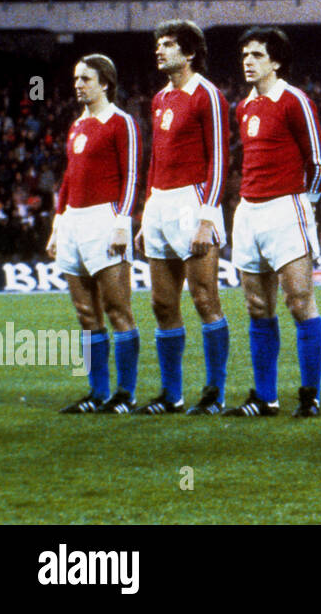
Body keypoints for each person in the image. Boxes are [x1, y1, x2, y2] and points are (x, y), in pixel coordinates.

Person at [223, 27, 321, 418]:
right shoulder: (244, 107)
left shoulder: (294, 100)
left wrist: (306, 203)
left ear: (276, 61)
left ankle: (310, 395)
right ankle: (265, 397)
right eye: (245, 55)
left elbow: (317, 160)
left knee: (299, 301)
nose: (248, 62)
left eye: (257, 55)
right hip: (249, 210)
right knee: (256, 304)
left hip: (287, 208)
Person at [133, 21, 231, 415]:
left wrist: (208, 217)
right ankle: (171, 394)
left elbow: (220, 160)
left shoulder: (208, 95)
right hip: (160, 203)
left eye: (169, 44)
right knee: (161, 302)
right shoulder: (159, 99)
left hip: (193, 201)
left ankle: (214, 392)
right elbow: (156, 159)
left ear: (189, 53)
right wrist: (145, 213)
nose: (160, 50)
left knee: (205, 297)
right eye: (158, 43)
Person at [48, 54, 141, 413]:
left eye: (85, 78)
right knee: (86, 313)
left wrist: (122, 223)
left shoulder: (121, 123)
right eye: (76, 78)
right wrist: (58, 226)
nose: (78, 84)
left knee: (118, 309)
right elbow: (68, 179)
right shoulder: (76, 126)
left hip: (105, 220)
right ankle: (97, 392)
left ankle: (126, 393)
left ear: (105, 83)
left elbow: (131, 176)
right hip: (73, 221)